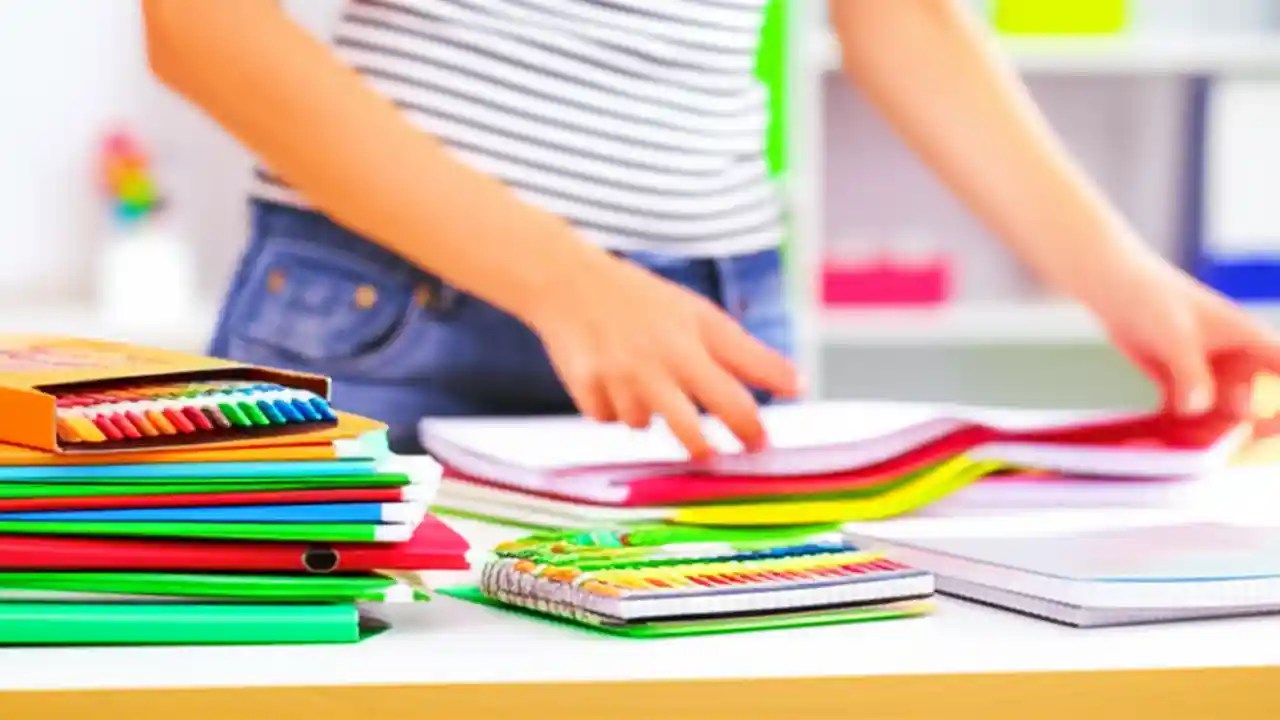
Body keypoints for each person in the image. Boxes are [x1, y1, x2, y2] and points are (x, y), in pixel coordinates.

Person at [142, 0, 1280, 457]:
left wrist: (1122, 278)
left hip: (712, 315)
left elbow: (898, 13)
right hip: (386, 307)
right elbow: (198, 24)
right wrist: (568, 282)